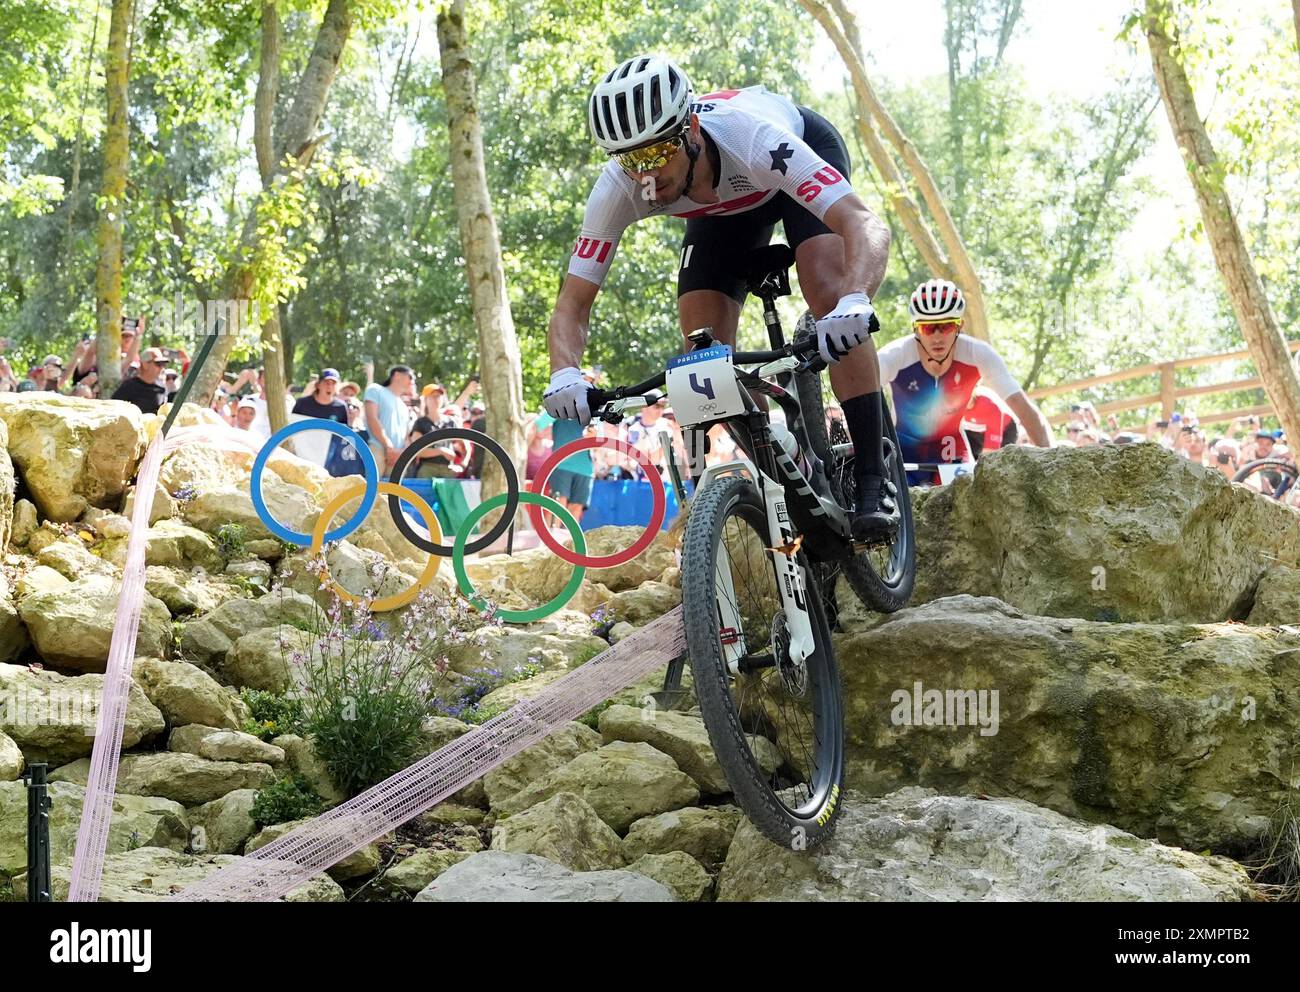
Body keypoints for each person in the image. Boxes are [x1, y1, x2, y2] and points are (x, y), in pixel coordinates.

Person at [542, 55, 897, 542]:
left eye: (654, 153)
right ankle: (792, 466)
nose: (645, 175)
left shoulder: (751, 136)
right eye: (629, 159)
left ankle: (875, 477)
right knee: (702, 360)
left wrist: (856, 300)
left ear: (689, 129)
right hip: (717, 208)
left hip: (784, 164)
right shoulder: (620, 187)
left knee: (828, 291)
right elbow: (573, 303)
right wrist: (565, 372)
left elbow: (865, 224)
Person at [876, 280, 1052, 480]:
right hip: (903, 455)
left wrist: (1053, 464)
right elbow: (859, 404)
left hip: (953, 454)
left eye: (946, 326)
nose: (937, 337)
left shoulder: (978, 354)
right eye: (927, 328)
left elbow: (1023, 408)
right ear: (915, 329)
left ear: (960, 326)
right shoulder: (893, 356)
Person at [363, 364, 415, 471]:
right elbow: (372, 418)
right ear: (397, 375)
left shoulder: (404, 406)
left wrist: (400, 452)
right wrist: (389, 447)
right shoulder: (376, 390)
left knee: (394, 488)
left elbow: (406, 434)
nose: (412, 381)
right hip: (377, 449)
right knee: (372, 486)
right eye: (410, 376)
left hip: (397, 457)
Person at [110, 347, 172, 414]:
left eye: (163, 364)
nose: (162, 368)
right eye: (158, 364)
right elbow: (113, 408)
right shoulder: (129, 386)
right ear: (145, 364)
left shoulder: (162, 389)